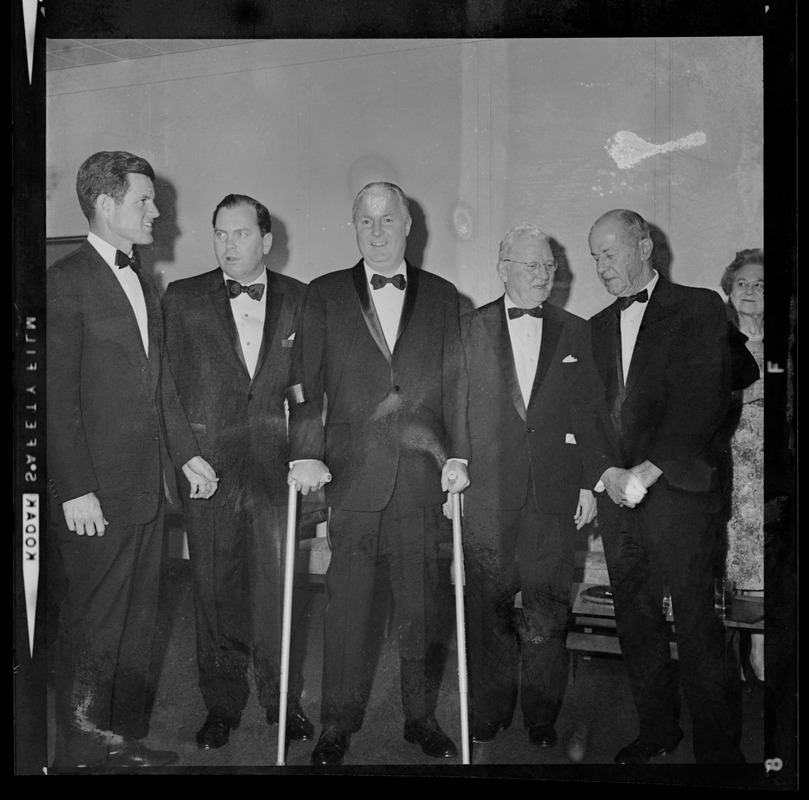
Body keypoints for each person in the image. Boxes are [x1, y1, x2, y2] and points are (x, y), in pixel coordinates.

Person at [47, 151, 219, 772]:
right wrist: (74, 489)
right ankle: (80, 752)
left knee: (137, 627)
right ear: (105, 204)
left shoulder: (143, 279)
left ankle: (123, 741)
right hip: (94, 496)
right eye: (145, 200)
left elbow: (161, 382)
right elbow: (54, 397)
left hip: (148, 489)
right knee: (95, 627)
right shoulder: (64, 281)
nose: (157, 211)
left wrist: (188, 454)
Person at [287, 181, 470, 765]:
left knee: (422, 607)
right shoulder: (323, 294)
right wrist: (303, 451)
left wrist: (457, 457)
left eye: (386, 218)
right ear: (355, 227)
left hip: (420, 482)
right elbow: (300, 385)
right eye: (364, 221)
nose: (376, 229)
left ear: (408, 222)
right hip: (353, 481)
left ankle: (421, 718)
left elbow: (460, 390)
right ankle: (336, 724)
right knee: (349, 608)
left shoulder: (445, 298)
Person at [587, 209, 745, 764]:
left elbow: (705, 398)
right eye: (595, 258)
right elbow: (589, 418)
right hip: (619, 502)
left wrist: (646, 471)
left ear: (644, 246)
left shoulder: (699, 306)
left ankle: (720, 751)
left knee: (698, 624)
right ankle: (657, 729)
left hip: (678, 492)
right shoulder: (594, 326)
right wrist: (608, 475)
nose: (601, 267)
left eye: (609, 253)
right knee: (636, 622)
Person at [161, 194, 313, 751]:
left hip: (277, 474)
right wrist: (183, 454)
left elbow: (310, 388)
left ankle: (282, 703)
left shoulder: (303, 300)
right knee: (214, 592)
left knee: (279, 592)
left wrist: (306, 450)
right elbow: (165, 388)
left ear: (267, 241)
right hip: (209, 474)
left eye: (241, 234)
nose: (228, 245)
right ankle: (221, 705)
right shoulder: (181, 298)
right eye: (220, 234)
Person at [458, 224, 601, 750]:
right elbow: (456, 414)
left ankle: (542, 716)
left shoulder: (575, 331)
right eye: (532, 266)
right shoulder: (467, 329)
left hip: (552, 495)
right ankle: (490, 710)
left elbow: (590, 413)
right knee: (487, 610)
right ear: (504, 270)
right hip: (487, 497)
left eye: (549, 266)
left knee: (546, 610)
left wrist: (588, 481)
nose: (543, 276)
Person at [720, 249, 764, 683]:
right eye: (742, 284)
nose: (750, 291)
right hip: (730, 464)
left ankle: (762, 648)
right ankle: (731, 657)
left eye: (760, 284)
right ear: (729, 292)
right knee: (731, 554)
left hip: (773, 470)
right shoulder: (717, 340)